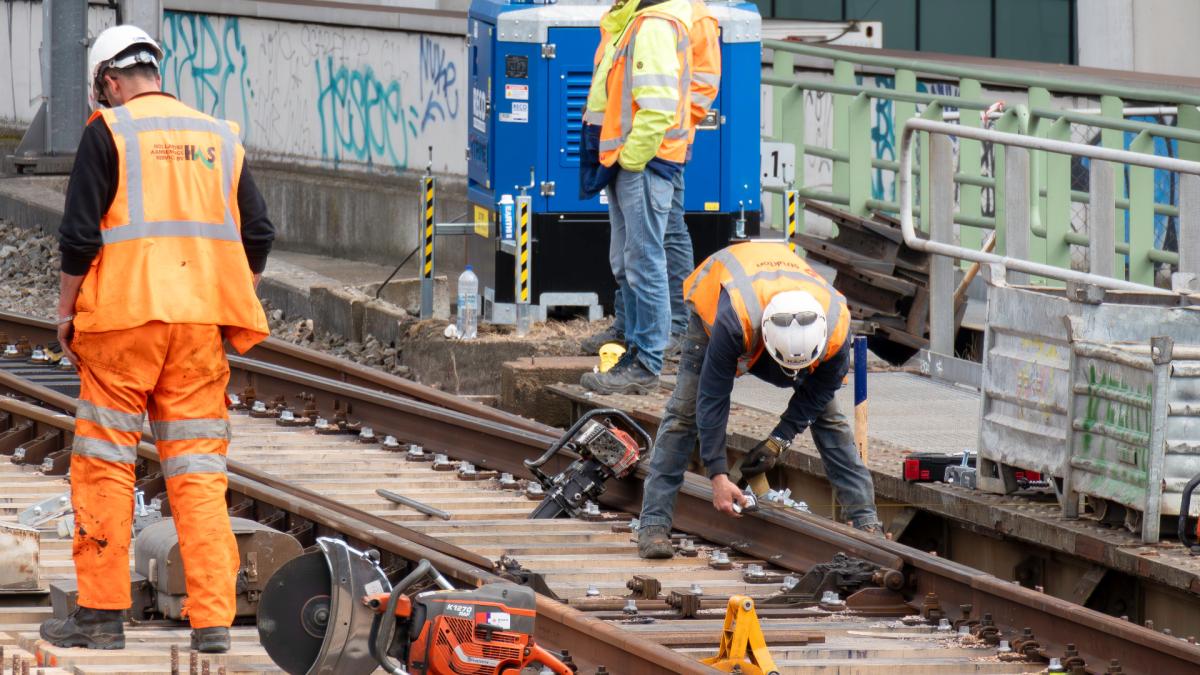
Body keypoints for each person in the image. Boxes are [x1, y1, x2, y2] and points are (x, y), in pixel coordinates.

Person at [39, 25, 274, 654]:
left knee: (106, 465)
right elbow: (259, 233)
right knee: (198, 471)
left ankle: (100, 617)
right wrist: (227, 289)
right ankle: (214, 623)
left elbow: (79, 236)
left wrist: (65, 311)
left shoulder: (108, 131)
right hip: (198, 332)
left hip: (123, 324)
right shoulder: (219, 135)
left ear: (110, 82)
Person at [636, 242, 882, 559]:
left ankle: (866, 524)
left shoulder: (835, 328)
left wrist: (779, 439)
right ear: (764, 341)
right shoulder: (732, 323)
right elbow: (712, 400)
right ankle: (653, 525)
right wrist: (718, 475)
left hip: (778, 291)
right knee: (684, 414)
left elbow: (818, 393)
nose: (792, 375)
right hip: (720, 290)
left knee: (830, 420)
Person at [580, 0, 720, 359]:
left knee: (660, 240)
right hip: (638, 147)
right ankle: (631, 328)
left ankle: (670, 331)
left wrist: (653, 142)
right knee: (636, 250)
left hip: (653, 148)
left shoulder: (679, 15)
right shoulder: (635, 13)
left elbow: (699, 85)